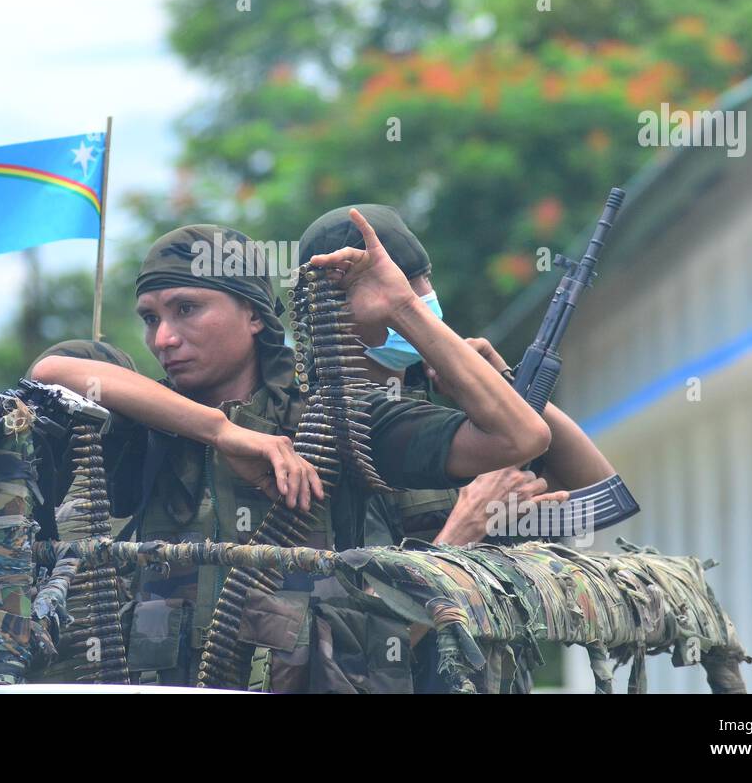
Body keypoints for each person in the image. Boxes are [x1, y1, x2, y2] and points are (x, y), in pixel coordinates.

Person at [30, 221, 550, 687]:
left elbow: (518, 437)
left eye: (187, 309)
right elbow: (52, 372)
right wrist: (222, 432)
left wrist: (403, 309)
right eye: (150, 318)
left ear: (255, 315)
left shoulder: (334, 417)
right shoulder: (153, 422)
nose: (164, 338)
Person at [298, 204, 617, 547]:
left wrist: (505, 384)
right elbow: (366, 599)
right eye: (403, 282)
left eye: (425, 278)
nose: (424, 295)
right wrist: (466, 527)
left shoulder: (450, 411)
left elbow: (596, 497)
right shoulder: (333, 437)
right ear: (344, 306)